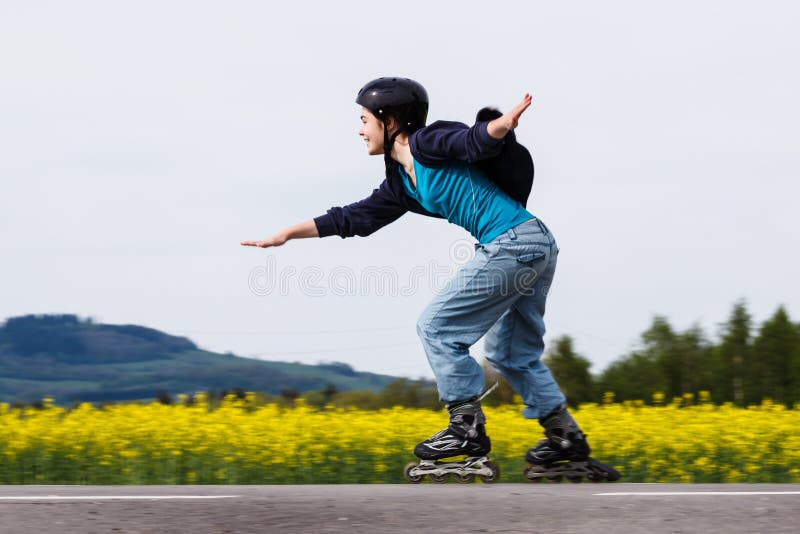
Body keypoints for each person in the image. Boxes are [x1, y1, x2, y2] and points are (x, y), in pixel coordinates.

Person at [241, 77, 619, 482]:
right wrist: (287, 234)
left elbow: (473, 141)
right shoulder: (401, 185)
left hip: (513, 243)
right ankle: (565, 439)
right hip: (535, 244)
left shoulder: (428, 142)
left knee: (437, 328)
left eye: (365, 120)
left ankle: (465, 427)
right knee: (511, 354)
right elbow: (353, 218)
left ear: (390, 121)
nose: (359, 130)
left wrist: (502, 125)